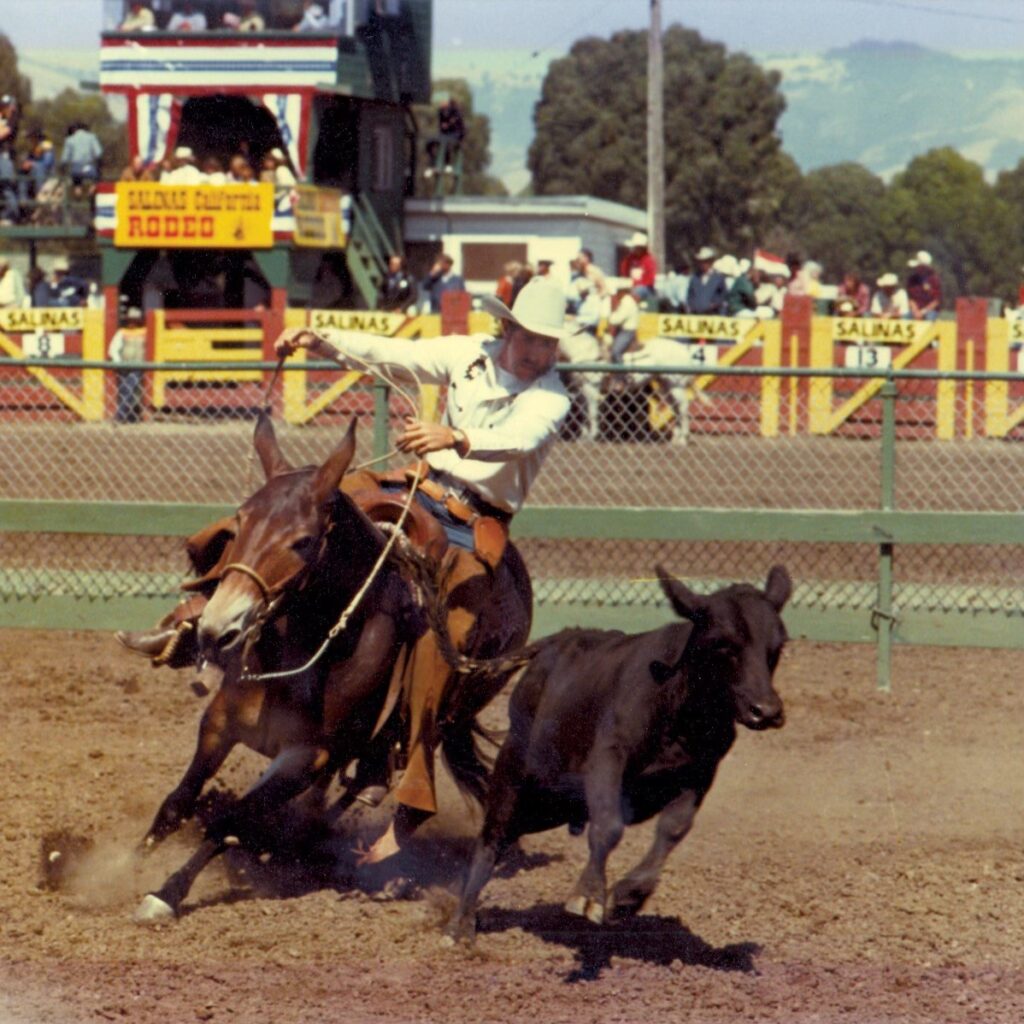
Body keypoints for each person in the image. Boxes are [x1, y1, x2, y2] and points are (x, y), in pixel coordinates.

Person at [119, 278, 574, 862]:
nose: (540, 353)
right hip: (413, 485)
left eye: (549, 344)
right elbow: (394, 352)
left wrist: (455, 436)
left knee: (447, 634)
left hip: (473, 521)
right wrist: (321, 339)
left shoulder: (554, 397)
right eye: (532, 339)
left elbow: (518, 440)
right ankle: (195, 615)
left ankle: (409, 762)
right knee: (295, 511)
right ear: (508, 329)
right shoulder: (468, 355)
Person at [108, 307, 146, 424]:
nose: (132, 323)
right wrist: (118, 362)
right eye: (130, 320)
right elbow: (113, 349)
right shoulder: (122, 332)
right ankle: (126, 415)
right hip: (124, 366)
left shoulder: (145, 332)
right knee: (126, 390)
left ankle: (121, 415)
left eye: (134, 320)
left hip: (139, 366)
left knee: (129, 390)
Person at [424, 97, 465, 178]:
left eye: (442, 101)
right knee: (429, 142)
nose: (441, 103)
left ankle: (448, 163)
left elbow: (458, 124)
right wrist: (443, 128)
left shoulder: (455, 111)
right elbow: (441, 127)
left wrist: (449, 125)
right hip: (445, 134)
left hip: (456, 134)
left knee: (445, 141)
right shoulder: (440, 112)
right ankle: (432, 164)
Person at [60, 122, 103, 193]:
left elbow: (64, 158)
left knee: (77, 181)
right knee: (96, 178)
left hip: (76, 168)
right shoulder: (92, 137)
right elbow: (99, 153)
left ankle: (78, 191)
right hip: (89, 167)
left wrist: (62, 167)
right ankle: (92, 188)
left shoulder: (69, 139)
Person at [686, 246, 728, 315]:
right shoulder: (694, 278)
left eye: (705, 261)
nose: (702, 264)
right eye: (701, 262)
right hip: (696, 315)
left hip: (712, 315)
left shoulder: (718, 278)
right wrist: (691, 306)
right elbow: (690, 295)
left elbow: (723, 296)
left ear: (711, 262)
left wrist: (714, 304)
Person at [607, 281, 641, 363]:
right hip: (625, 330)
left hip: (627, 331)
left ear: (623, 291)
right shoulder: (626, 301)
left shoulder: (627, 302)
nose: (617, 293)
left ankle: (621, 374)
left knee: (616, 351)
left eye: (618, 291)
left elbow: (618, 319)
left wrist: (610, 319)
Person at [619, 232, 657, 303]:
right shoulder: (630, 258)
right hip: (630, 285)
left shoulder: (649, 260)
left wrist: (635, 284)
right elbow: (624, 271)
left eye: (637, 248)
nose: (635, 249)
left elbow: (650, 280)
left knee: (636, 292)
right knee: (619, 293)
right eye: (635, 247)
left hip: (645, 289)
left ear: (642, 248)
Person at [906, 250, 942, 321]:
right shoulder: (912, 279)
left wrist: (923, 312)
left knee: (929, 318)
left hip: (930, 311)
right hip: (915, 310)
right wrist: (915, 311)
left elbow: (936, 301)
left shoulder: (934, 279)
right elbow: (911, 299)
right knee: (905, 318)